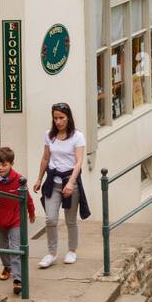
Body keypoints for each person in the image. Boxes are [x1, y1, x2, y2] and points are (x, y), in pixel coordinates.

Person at [33, 103, 89, 269]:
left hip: (70, 182)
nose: (58, 121)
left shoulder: (77, 136)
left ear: (68, 117)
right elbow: (45, 158)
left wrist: (71, 183)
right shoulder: (49, 135)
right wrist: (39, 179)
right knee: (50, 219)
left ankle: (72, 250)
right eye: (55, 118)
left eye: (61, 118)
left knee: (70, 220)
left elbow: (79, 162)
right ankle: (51, 253)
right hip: (53, 182)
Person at [0, 147, 36, 296]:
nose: (1, 168)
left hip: (15, 220)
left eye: (4, 165)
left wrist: (31, 212)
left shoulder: (18, 180)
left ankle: (18, 279)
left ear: (11, 164)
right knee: (2, 248)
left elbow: (27, 198)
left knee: (15, 249)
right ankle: (7, 267)